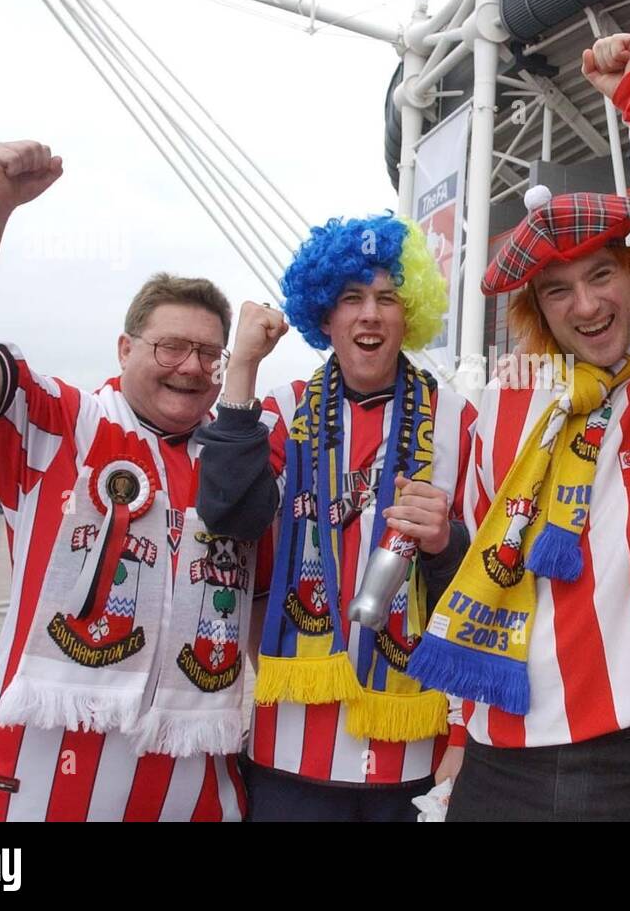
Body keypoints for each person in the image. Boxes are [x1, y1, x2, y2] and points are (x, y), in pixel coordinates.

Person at [404, 33, 630, 821]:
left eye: (601, 275)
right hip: (500, 753)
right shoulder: (501, 404)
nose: (587, 305)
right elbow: (478, 567)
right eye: (557, 291)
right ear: (535, 312)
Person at [0, 140, 262, 821]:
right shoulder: (64, 423)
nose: (190, 367)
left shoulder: (241, 458)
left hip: (194, 793)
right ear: (126, 348)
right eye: (170, 346)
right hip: (28, 793)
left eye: (207, 353)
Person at [194, 213, 477, 821]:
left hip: (413, 748)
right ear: (325, 317)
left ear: (411, 316)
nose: (370, 314)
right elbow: (228, 514)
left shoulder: (460, 421)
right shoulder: (285, 409)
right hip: (293, 747)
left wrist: (445, 542)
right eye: (352, 298)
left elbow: (487, 587)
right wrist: (239, 369)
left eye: (388, 298)